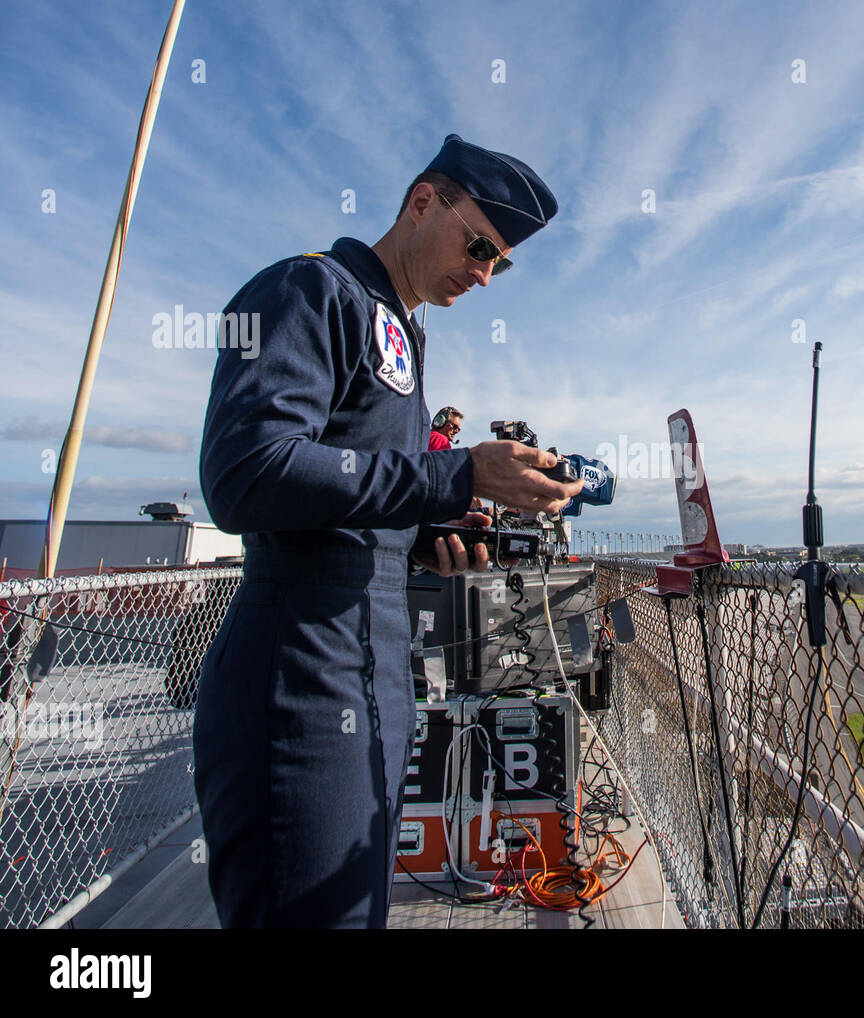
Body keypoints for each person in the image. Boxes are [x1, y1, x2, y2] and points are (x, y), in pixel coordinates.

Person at [193, 133, 580, 929]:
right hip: (297, 680)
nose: (482, 273)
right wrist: (456, 474)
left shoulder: (401, 329)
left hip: (374, 676)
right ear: (421, 202)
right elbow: (245, 473)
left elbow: (353, 498)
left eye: (499, 263)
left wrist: (435, 526)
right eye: (478, 245)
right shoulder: (307, 290)